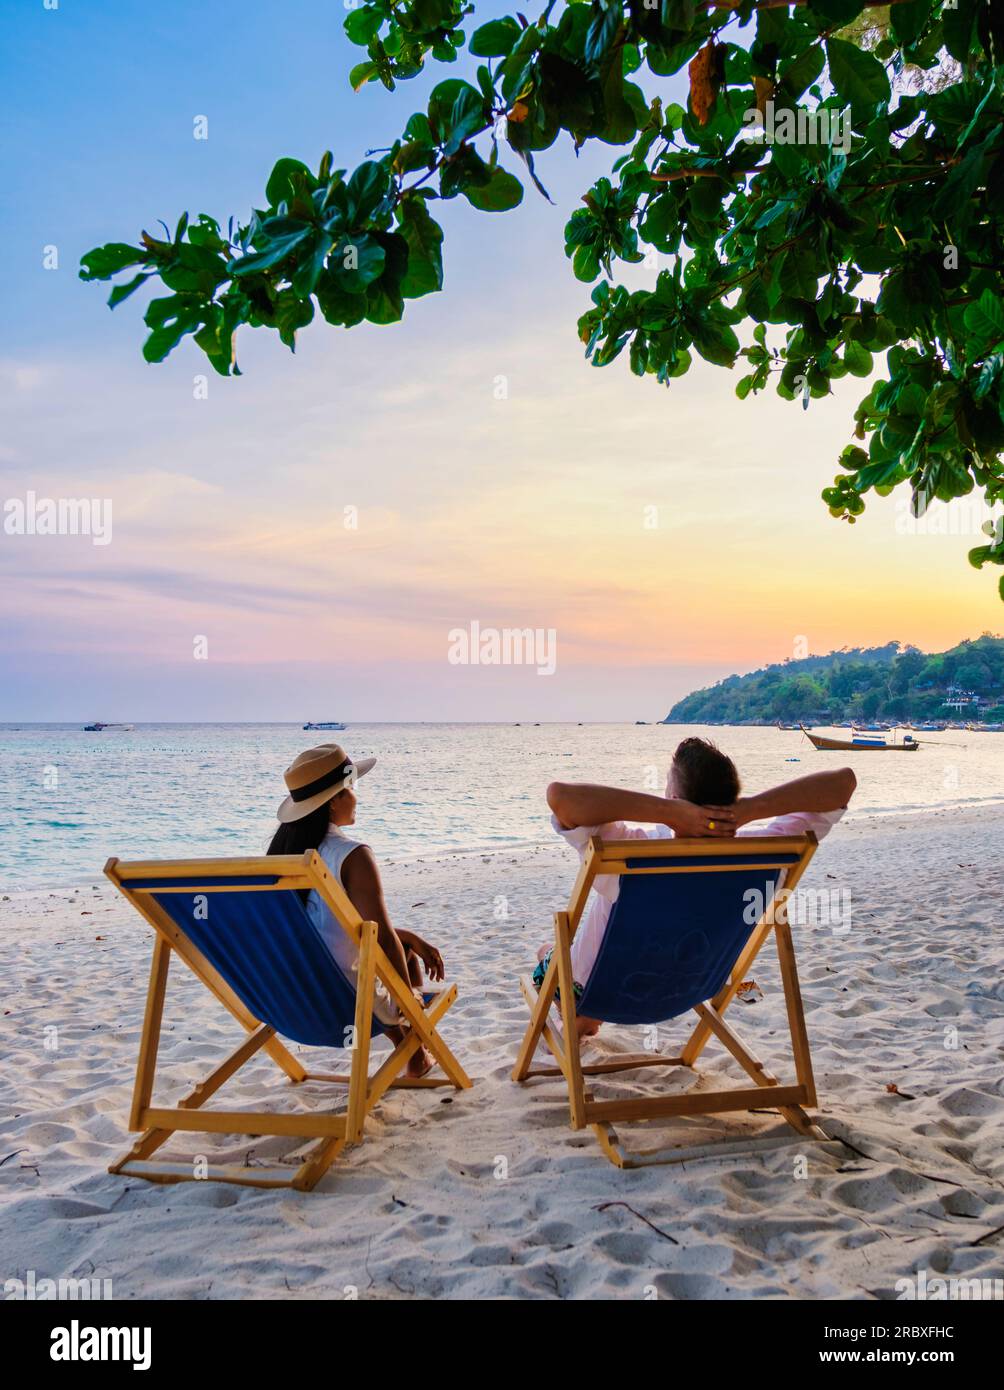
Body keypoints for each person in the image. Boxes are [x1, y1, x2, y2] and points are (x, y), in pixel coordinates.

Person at [537, 736, 857, 1039]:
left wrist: (667, 813)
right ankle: (584, 1017)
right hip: (690, 990)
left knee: (548, 954)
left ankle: (580, 1018)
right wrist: (749, 810)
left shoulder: (629, 854)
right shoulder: (767, 858)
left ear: (674, 800)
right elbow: (843, 783)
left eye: (666, 792)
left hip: (604, 994)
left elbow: (561, 797)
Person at [267, 744, 444, 1078]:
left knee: (398, 949)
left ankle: (415, 1055)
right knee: (398, 958)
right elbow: (380, 938)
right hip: (344, 1006)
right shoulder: (351, 856)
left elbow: (330, 928)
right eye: (351, 788)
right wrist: (410, 1002)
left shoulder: (280, 858)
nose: (356, 796)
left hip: (286, 1004)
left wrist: (408, 938)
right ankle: (416, 1051)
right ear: (333, 799)